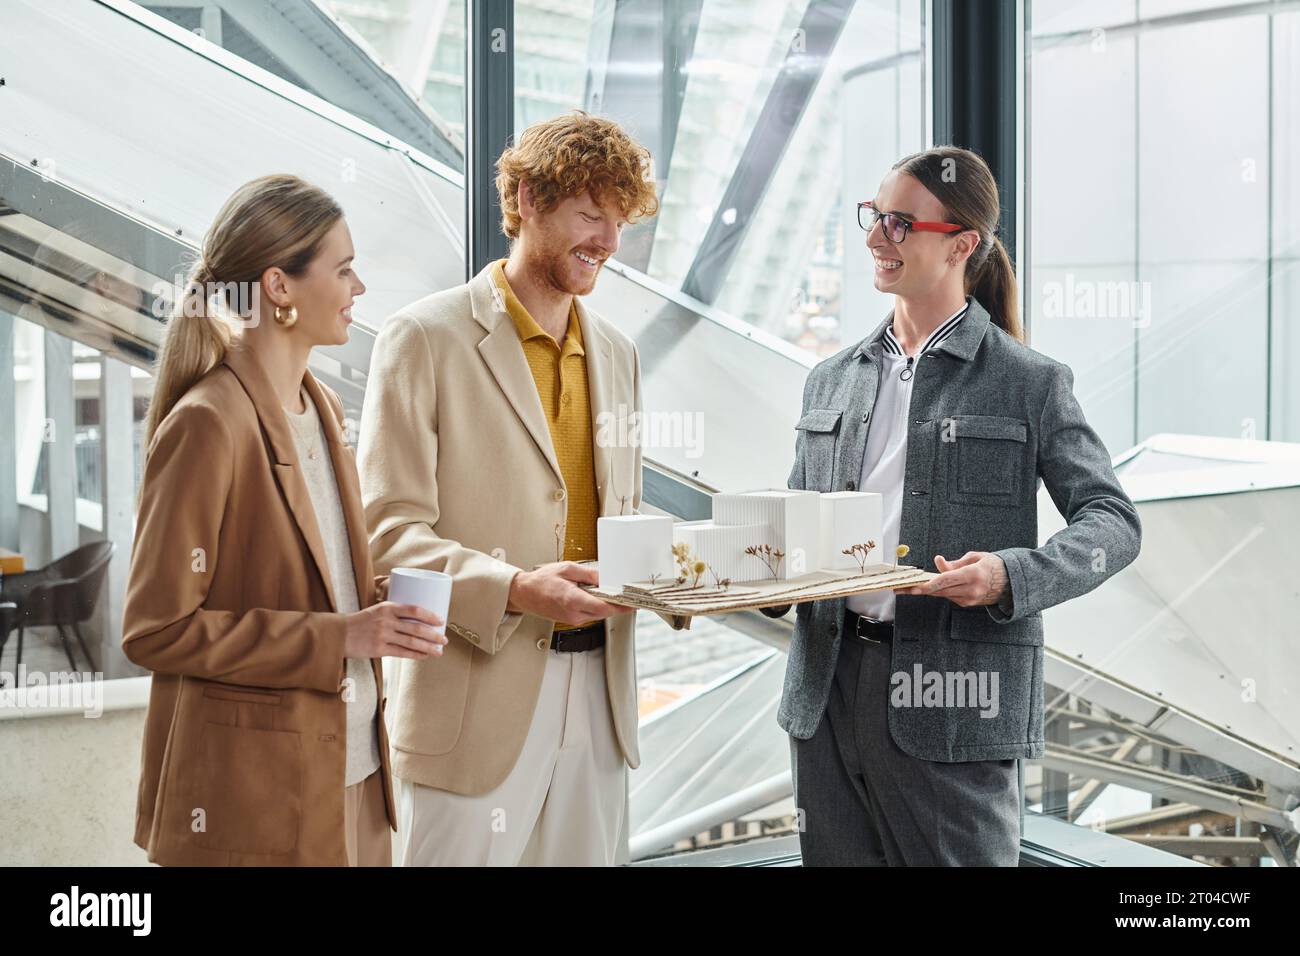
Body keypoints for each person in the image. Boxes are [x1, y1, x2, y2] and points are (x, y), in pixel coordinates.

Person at [773, 146, 1142, 865]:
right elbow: (796, 524)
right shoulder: (829, 380)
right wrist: (743, 579)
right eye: (875, 218)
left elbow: (1114, 522)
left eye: (901, 223)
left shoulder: (1029, 382)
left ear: (962, 245)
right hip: (825, 695)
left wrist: (1010, 575)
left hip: (954, 704)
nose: (878, 237)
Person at [357, 111, 659, 866]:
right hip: (472, 704)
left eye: (619, 222)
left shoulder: (617, 355)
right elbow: (384, 539)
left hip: (603, 700)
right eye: (591, 215)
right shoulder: (423, 338)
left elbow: (617, 517)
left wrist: (679, 577)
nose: (608, 243)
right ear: (526, 198)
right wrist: (519, 589)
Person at [122, 174, 446, 866]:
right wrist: (342, 633)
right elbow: (156, 630)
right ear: (279, 287)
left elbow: (299, 582)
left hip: (354, 780)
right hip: (257, 806)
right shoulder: (210, 422)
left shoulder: (320, 406)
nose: (359, 289)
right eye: (344, 269)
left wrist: (370, 605)